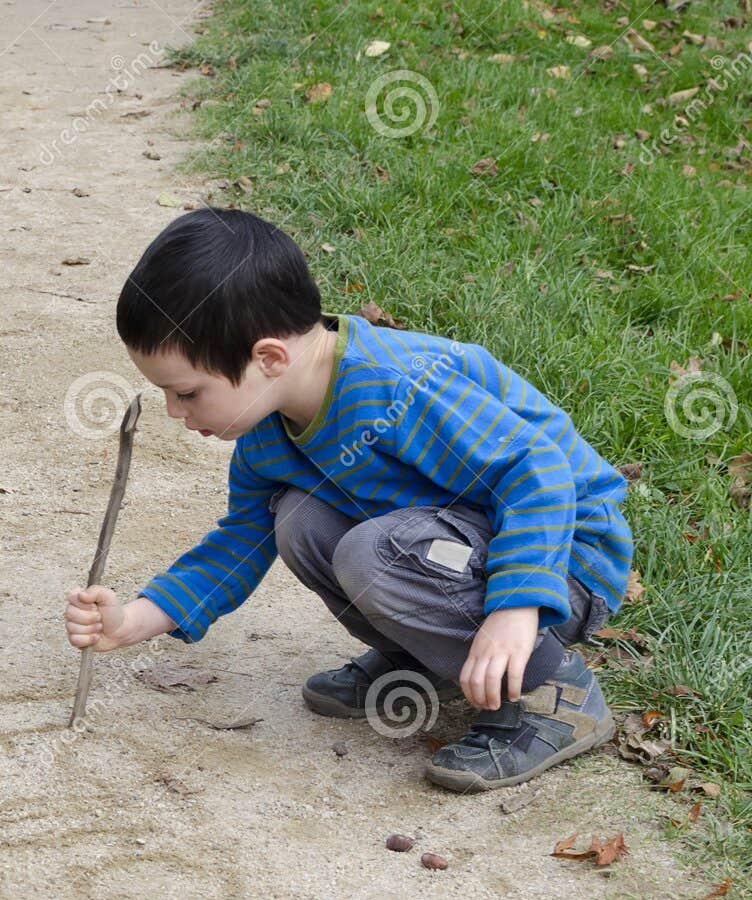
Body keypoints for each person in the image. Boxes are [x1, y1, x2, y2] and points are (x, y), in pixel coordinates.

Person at [64, 209, 631, 792]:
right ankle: (426, 659)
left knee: (373, 554)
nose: (175, 413)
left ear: (269, 358)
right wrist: (132, 622)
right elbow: (238, 544)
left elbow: (537, 471)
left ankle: (555, 693)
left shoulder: (396, 386)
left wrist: (515, 609)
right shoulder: (267, 428)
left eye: (187, 393)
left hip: (566, 557)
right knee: (297, 519)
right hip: (451, 550)